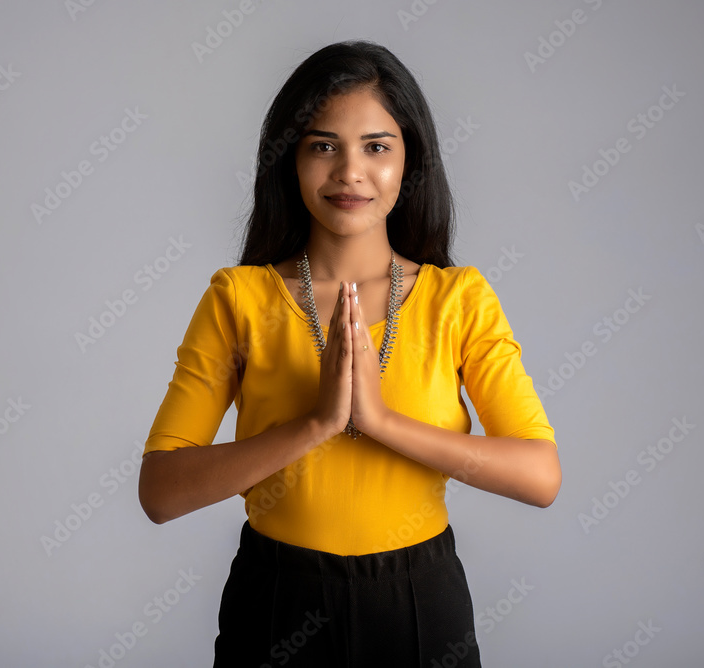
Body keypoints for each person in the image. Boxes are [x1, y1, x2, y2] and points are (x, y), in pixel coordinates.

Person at [137, 39, 561, 667]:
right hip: (277, 596)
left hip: (418, 598)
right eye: (322, 145)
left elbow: (540, 477)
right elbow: (161, 492)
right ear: (290, 159)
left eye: (376, 147)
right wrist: (314, 426)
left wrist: (382, 423)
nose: (350, 172)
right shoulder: (239, 297)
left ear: (410, 159)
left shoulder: (458, 299)